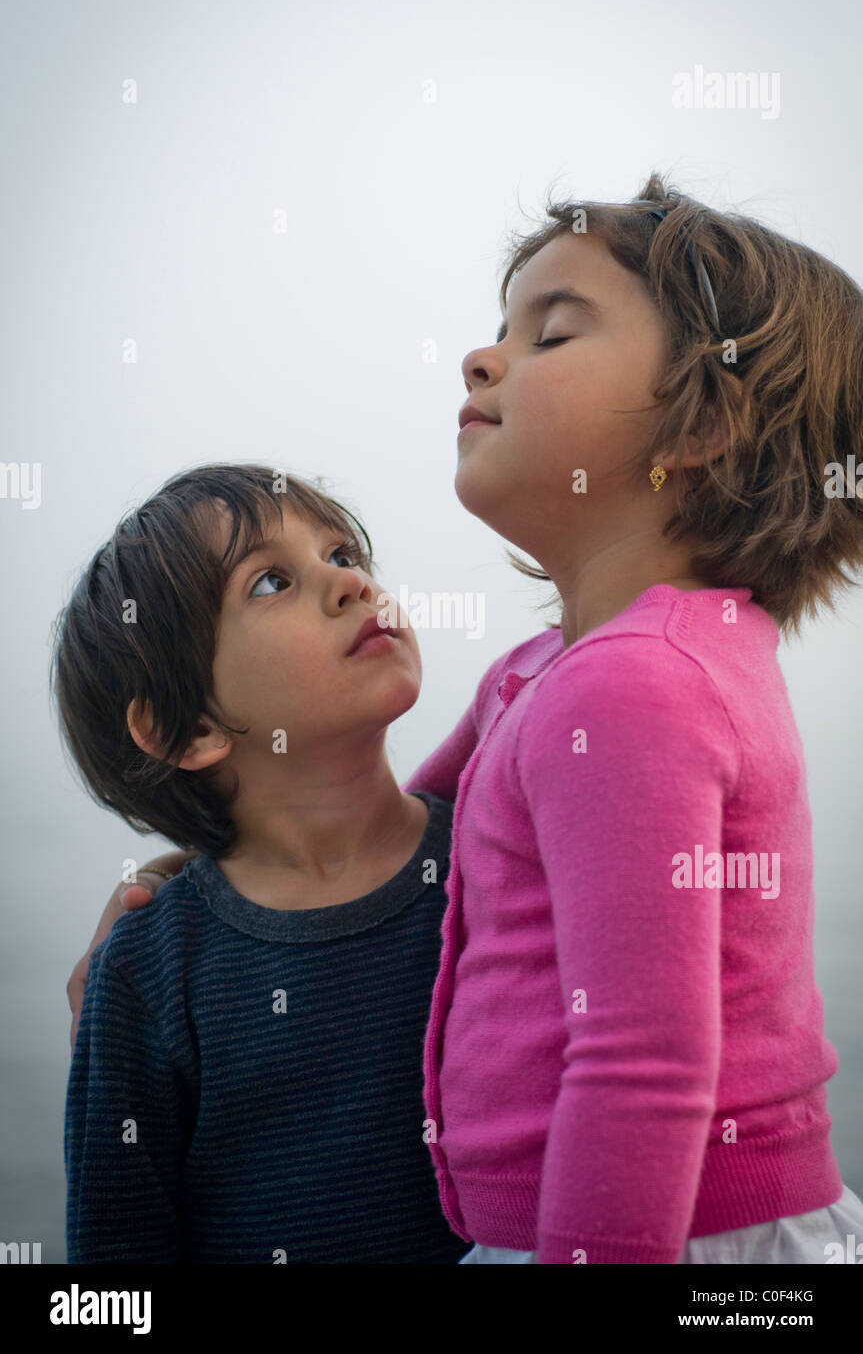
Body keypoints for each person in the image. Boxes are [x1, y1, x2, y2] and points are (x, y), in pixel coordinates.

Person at [409, 171, 863, 1263]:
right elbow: (407, 842)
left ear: (699, 423)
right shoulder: (546, 670)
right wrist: (182, 885)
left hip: (667, 1232)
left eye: (551, 334)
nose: (482, 359)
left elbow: (642, 1063)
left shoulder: (629, 687)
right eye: (500, 329)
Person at [54, 461, 472, 1264]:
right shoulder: (148, 969)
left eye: (343, 554)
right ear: (188, 730)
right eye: (271, 582)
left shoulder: (501, 861)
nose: (349, 584)